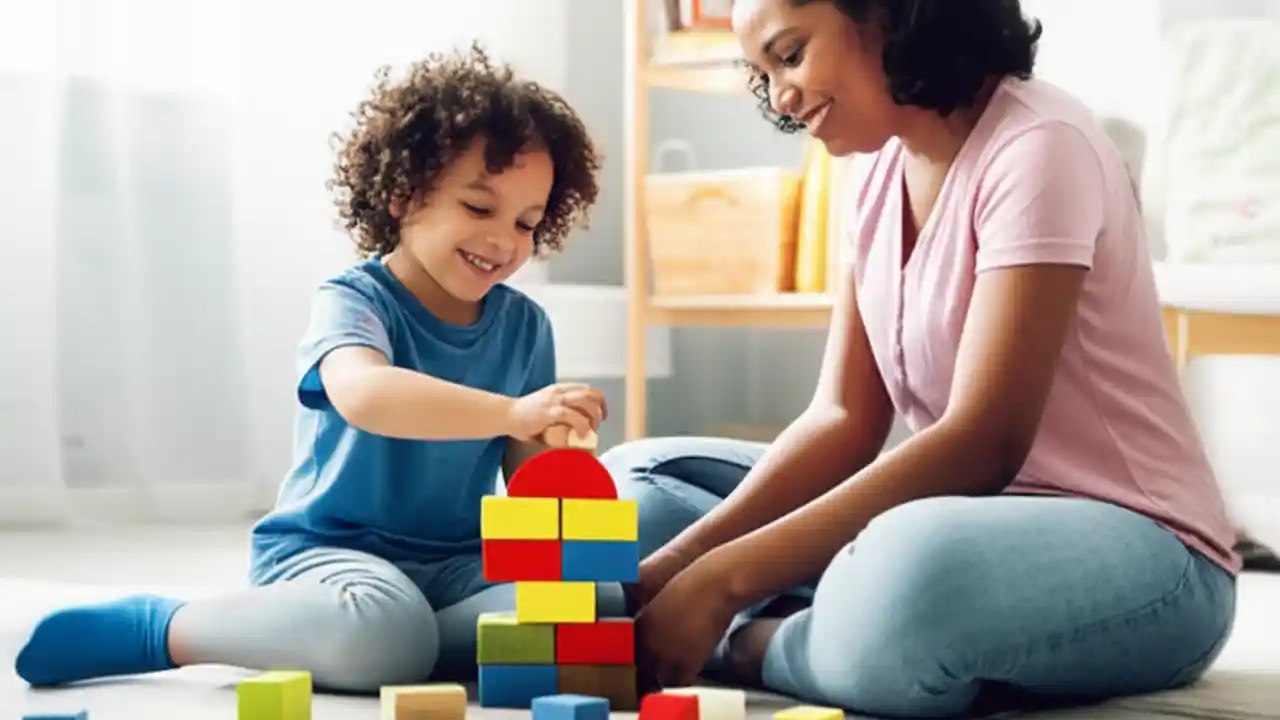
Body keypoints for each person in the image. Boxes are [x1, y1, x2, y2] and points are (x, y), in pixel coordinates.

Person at [606, 1, 1240, 717]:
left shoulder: (1041, 144)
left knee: (913, 575)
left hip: (1150, 554)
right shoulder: (875, 174)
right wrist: (673, 569)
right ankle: (840, 617)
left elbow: (983, 443)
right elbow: (843, 420)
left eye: (790, 55)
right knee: (639, 485)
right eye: (763, 74)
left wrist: (723, 582)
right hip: (966, 522)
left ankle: (754, 643)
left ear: (890, 14)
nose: (779, 97)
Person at [15, 44, 616, 692]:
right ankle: (167, 627)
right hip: (330, 558)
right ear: (402, 194)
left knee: (599, 599)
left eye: (526, 223)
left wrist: (560, 449)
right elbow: (365, 393)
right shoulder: (356, 300)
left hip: (454, 569)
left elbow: (529, 490)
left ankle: (394, 647)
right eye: (478, 208)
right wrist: (512, 411)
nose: (503, 240)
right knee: (385, 626)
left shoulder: (526, 326)